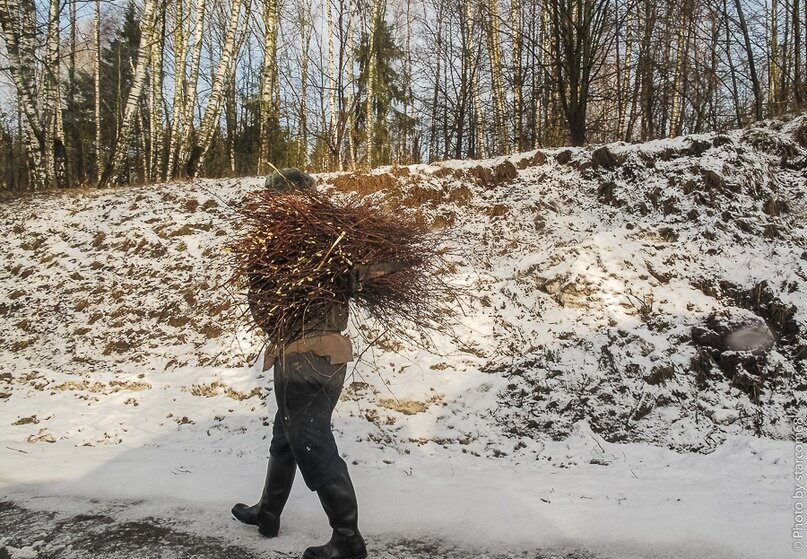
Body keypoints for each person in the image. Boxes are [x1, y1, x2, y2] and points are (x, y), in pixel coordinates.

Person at [232, 168, 370, 559]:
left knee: (311, 441)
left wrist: (360, 273)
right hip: (311, 353)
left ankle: (347, 538)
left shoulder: (308, 243)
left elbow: (267, 309)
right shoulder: (318, 242)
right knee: (286, 436)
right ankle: (268, 513)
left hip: (307, 356)